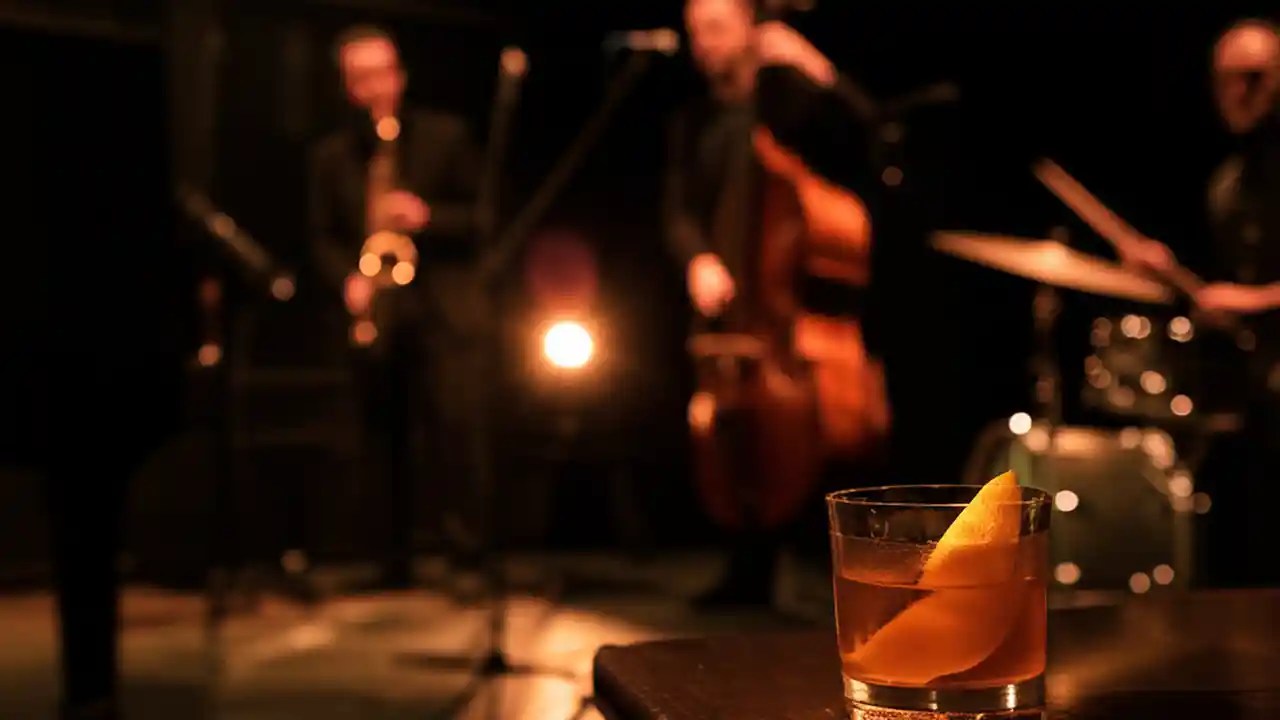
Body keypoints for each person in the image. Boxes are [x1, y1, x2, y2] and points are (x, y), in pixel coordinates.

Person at [666, 0, 881, 608]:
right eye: (694, 33)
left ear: (752, 31)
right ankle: (747, 565)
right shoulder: (692, 119)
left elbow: (875, 132)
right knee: (732, 428)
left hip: (795, 319)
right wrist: (698, 259)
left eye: (715, 28)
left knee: (818, 433)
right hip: (730, 307)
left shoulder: (794, 106)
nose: (702, 44)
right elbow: (677, 207)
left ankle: (822, 565)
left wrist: (817, 68)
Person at [309, 25, 482, 589]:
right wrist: (348, 281)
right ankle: (391, 557)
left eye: (381, 73)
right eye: (359, 78)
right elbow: (321, 238)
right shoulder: (331, 157)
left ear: (401, 76)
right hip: (376, 309)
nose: (373, 88)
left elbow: (484, 220)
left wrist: (426, 217)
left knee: (453, 429)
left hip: (439, 306)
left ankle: (466, 554)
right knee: (380, 434)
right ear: (344, 88)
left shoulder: (446, 136)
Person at [1121, 19, 1280, 587]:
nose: (1238, 94)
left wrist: (1252, 299)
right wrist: (1172, 277)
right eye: (1225, 82)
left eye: (1255, 78)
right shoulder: (1228, 187)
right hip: (1262, 394)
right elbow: (1230, 302)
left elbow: (1253, 295)